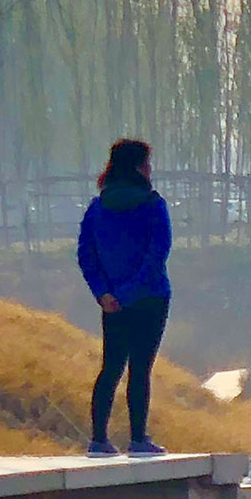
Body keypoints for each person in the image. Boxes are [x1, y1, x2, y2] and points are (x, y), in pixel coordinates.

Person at [77, 138, 173, 457]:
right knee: (140, 369)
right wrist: (129, 293)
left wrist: (104, 293)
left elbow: (85, 254)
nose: (150, 169)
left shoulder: (97, 207)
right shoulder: (153, 205)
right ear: (138, 167)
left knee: (111, 366)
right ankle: (138, 438)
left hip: (111, 304)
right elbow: (156, 255)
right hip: (149, 299)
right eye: (147, 163)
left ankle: (99, 439)